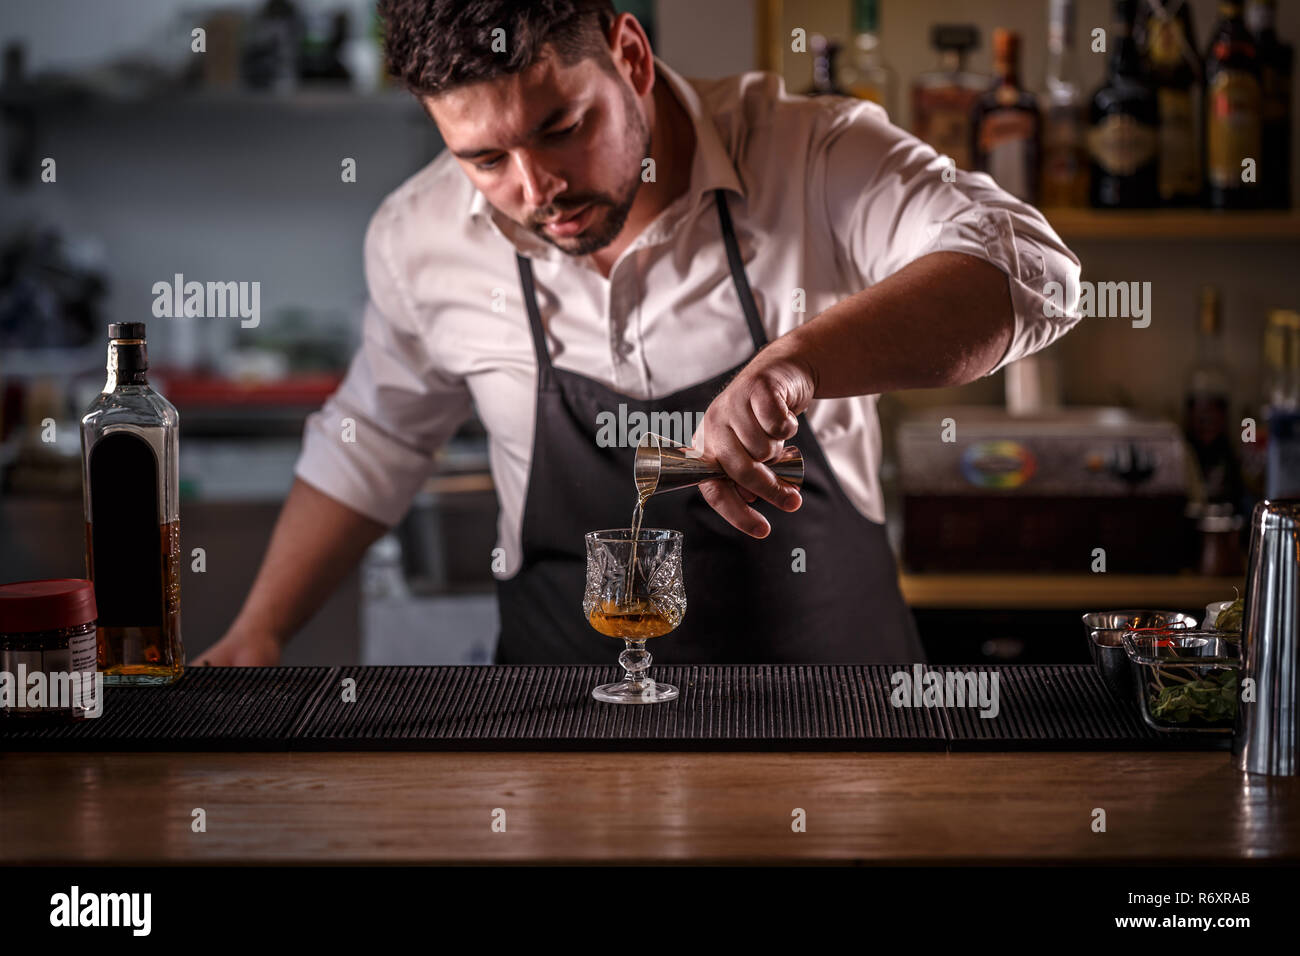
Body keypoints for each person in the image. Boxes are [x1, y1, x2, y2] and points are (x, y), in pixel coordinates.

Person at [197, 0, 1081, 666]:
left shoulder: (810, 156)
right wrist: (256, 634)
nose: (536, 187)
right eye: (485, 159)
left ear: (630, 56)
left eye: (562, 128)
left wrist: (798, 364)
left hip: (834, 728)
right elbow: (374, 441)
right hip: (556, 748)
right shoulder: (418, 236)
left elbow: (1033, 270)